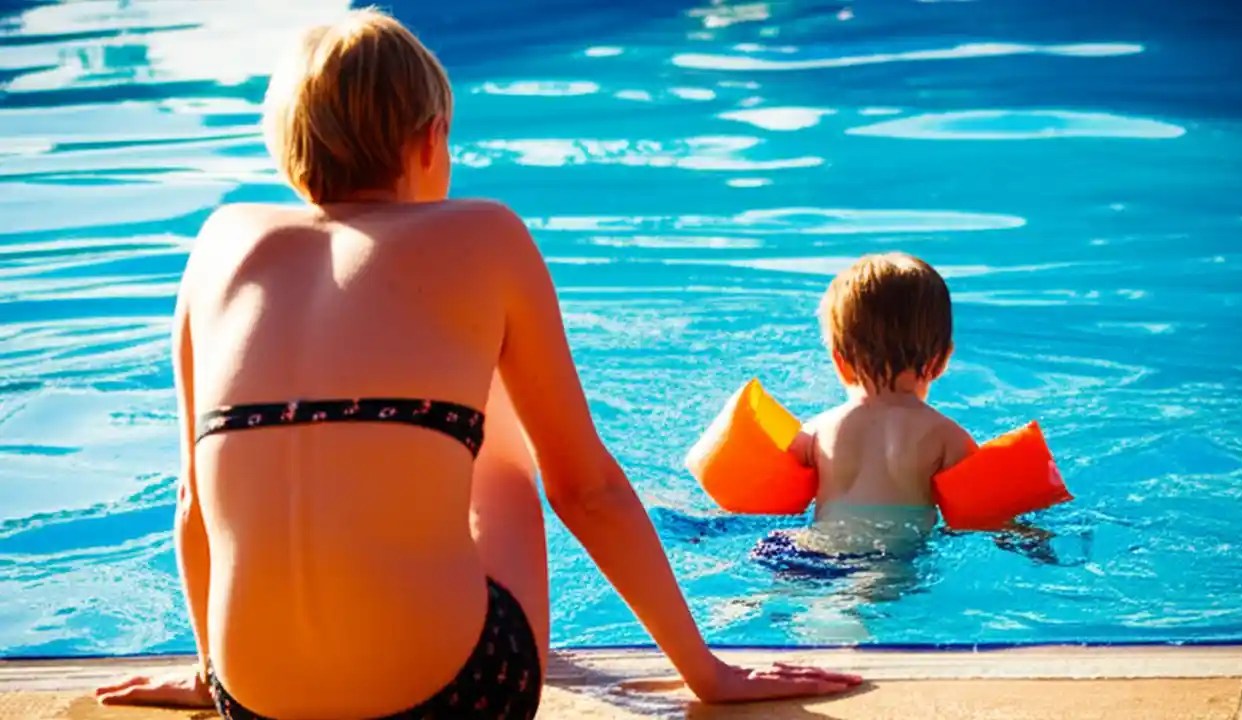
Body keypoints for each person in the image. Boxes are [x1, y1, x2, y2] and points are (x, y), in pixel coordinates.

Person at [93, 8, 860, 719]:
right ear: (430, 140)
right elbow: (585, 490)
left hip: (254, 698)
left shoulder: (220, 245)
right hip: (457, 692)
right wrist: (706, 672)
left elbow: (197, 504)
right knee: (493, 423)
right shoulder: (485, 236)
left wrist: (210, 671)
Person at [755, 253, 1050, 563]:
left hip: (809, 550)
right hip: (887, 557)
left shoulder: (817, 430)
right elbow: (984, 517)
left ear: (840, 363)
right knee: (865, 601)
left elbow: (769, 492)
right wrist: (1032, 538)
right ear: (941, 361)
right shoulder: (945, 437)